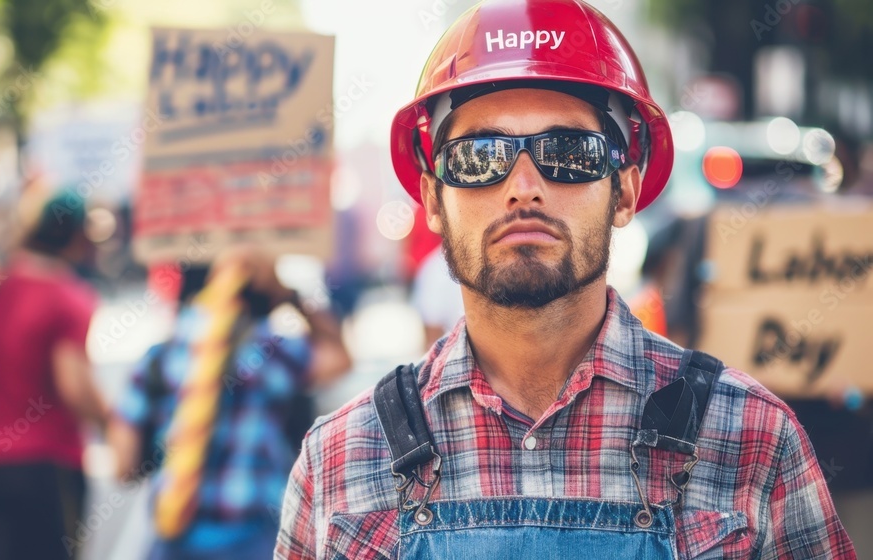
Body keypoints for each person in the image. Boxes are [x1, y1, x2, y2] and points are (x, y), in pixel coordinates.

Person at [275, 0, 856, 558]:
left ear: (624, 191)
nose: (523, 186)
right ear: (433, 197)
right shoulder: (340, 460)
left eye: (569, 152)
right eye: (480, 156)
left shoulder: (754, 440)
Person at [108, 246, 351, 560]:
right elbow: (340, 357)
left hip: (174, 538)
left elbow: (123, 464)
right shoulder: (269, 353)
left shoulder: (158, 358)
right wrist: (289, 295)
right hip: (253, 537)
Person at [0, 188, 109, 560]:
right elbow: (74, 385)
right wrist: (112, 422)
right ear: (77, 237)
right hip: (47, 468)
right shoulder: (68, 295)